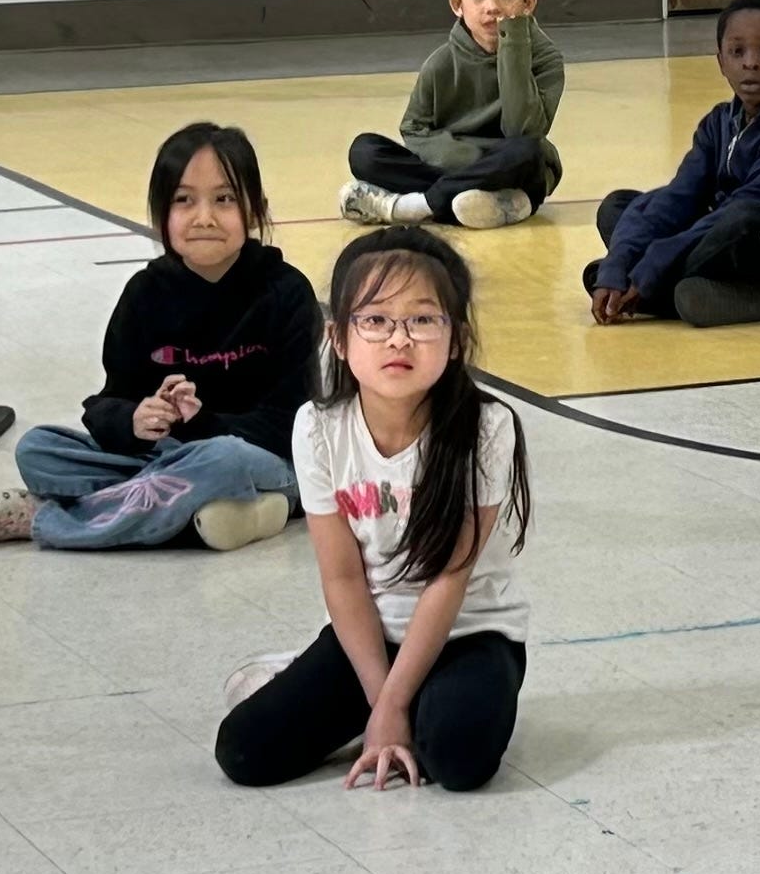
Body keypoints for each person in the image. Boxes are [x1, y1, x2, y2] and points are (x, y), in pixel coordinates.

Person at [216, 230, 532, 792]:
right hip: (370, 633)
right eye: (376, 320)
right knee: (244, 753)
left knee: (458, 761)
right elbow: (342, 577)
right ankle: (304, 676)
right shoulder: (318, 428)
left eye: (422, 320)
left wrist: (391, 708)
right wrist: (380, 704)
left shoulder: (486, 428)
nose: (399, 341)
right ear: (338, 338)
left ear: (456, 339)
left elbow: (448, 580)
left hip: (469, 632)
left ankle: (423, 701)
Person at [0, 122, 315, 551]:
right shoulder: (144, 293)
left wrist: (202, 422)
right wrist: (134, 421)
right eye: (184, 200)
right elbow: (109, 400)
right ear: (160, 214)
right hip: (161, 457)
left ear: (256, 210)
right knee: (36, 448)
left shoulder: (287, 293)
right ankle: (208, 514)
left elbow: (293, 423)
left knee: (220, 458)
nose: (204, 217)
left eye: (224, 199)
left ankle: (52, 519)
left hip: (258, 460)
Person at [583, 0, 760, 328]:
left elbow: (743, 213)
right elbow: (678, 197)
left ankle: (746, 296)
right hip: (727, 238)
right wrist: (618, 264)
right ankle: (690, 291)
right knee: (621, 206)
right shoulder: (719, 122)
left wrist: (647, 269)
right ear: (721, 61)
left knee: (742, 219)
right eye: (737, 51)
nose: (751, 62)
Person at [339, 0, 565, 232]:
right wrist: (471, 162)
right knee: (365, 151)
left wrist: (514, 45)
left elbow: (522, 131)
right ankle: (498, 203)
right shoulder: (441, 63)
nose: (492, 7)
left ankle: (415, 207)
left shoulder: (545, 60)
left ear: (528, 3)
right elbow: (414, 129)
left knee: (527, 152)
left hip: (514, 166)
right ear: (458, 4)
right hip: (457, 163)